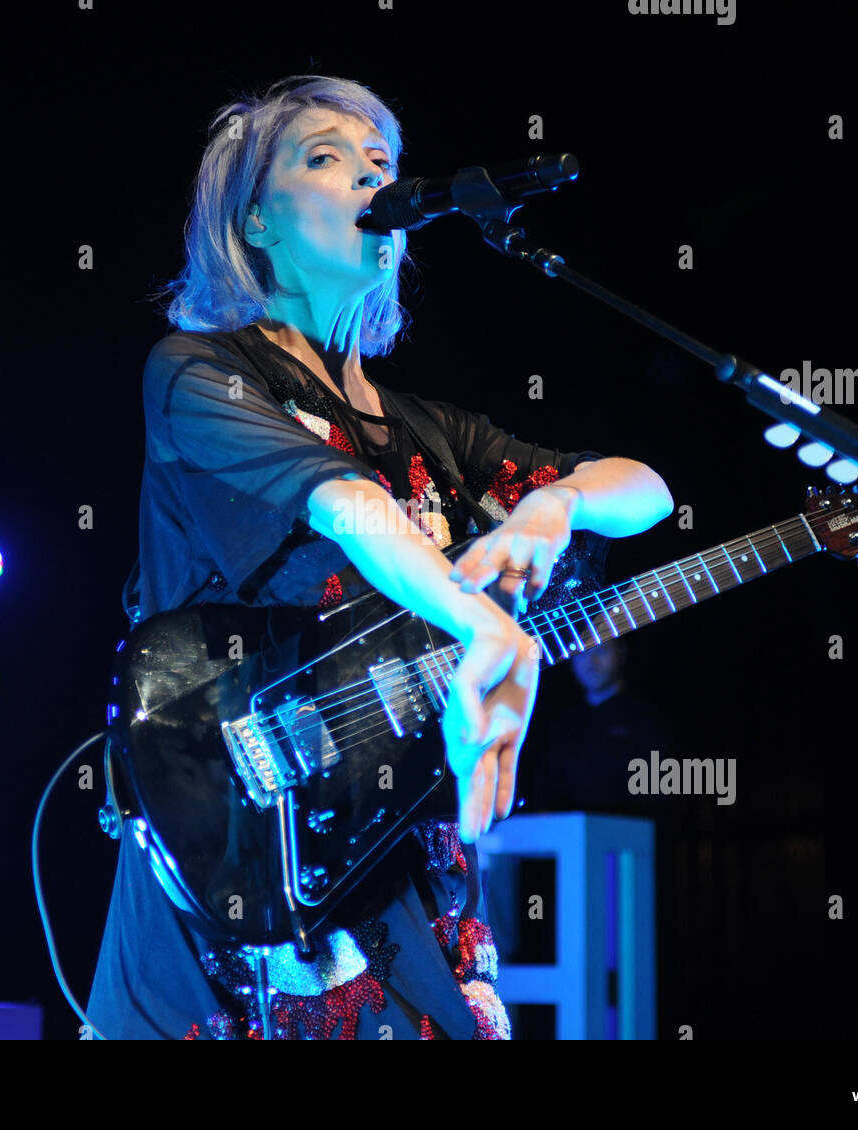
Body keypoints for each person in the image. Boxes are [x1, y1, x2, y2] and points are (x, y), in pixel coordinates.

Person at [86, 74, 673, 1040]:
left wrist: (558, 502)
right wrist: (483, 618)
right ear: (257, 223)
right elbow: (348, 502)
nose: (370, 175)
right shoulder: (198, 371)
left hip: (411, 856)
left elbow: (645, 489)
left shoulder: (429, 430)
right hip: (240, 847)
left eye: (383, 163)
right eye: (325, 157)